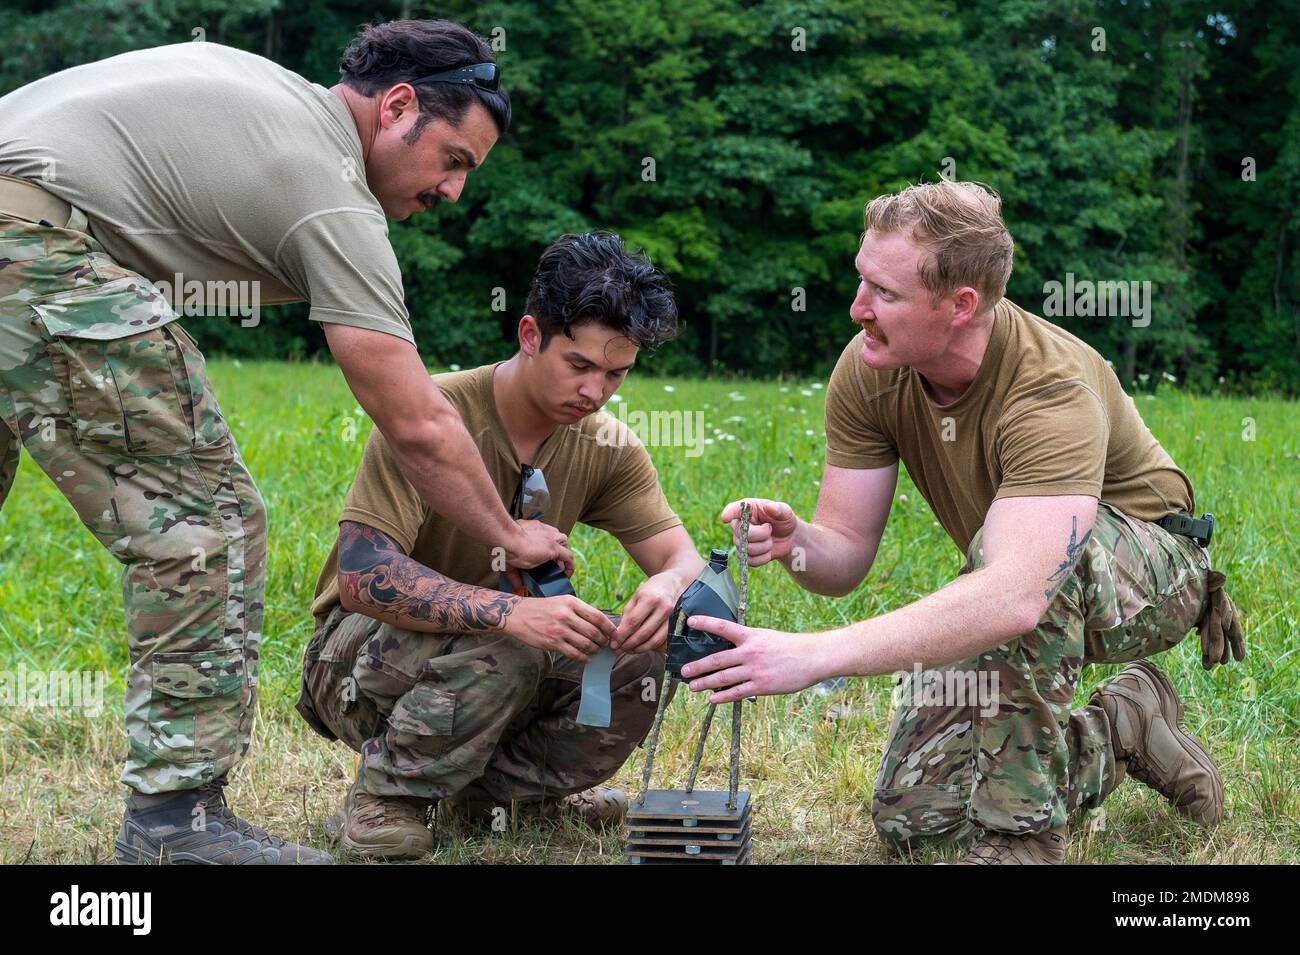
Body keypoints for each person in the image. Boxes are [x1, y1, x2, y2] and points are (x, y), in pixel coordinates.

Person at [0, 18, 570, 865]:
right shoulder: (331, 186)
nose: (453, 192)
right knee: (208, 525)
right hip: (33, 250)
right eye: (453, 160)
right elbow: (415, 419)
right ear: (397, 106)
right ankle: (176, 825)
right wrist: (509, 534)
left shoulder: (265, 93)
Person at [681, 180, 1245, 864]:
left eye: (883, 292)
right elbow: (846, 553)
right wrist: (799, 543)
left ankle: (1019, 840)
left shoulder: (1050, 388)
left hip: (1150, 575)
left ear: (961, 305)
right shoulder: (871, 367)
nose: (857, 308)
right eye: (862, 280)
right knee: (915, 817)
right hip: (1014, 576)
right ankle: (1124, 726)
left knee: (1026, 575)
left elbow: (1018, 595)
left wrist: (812, 654)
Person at [297, 232, 706, 860]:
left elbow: (683, 560)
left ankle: (502, 797)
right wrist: (512, 613)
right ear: (530, 335)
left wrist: (667, 586)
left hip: (496, 662)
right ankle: (386, 799)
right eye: (579, 366)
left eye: (616, 374)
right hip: (356, 662)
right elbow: (361, 574)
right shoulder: (427, 416)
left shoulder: (608, 446)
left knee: (637, 653)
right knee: (513, 641)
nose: (595, 391)